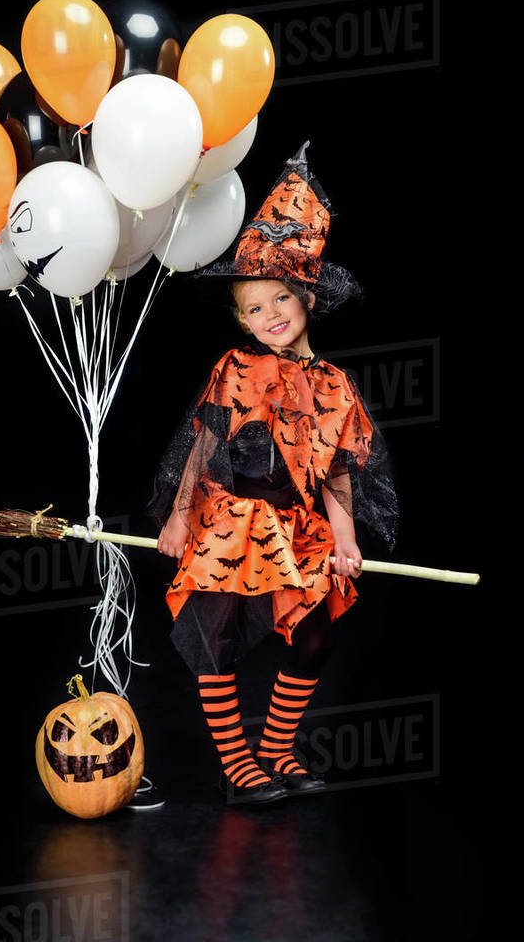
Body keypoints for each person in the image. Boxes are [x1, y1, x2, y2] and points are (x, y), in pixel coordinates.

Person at [146, 141, 399, 806]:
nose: (270, 317)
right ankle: (237, 767)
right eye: (253, 309)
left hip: (297, 524)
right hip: (231, 520)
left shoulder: (334, 386)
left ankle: (277, 751)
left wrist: (343, 540)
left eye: (279, 300)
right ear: (240, 320)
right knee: (217, 630)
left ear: (304, 299)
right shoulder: (234, 369)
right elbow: (200, 448)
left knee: (314, 633)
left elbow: (335, 475)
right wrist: (177, 515)